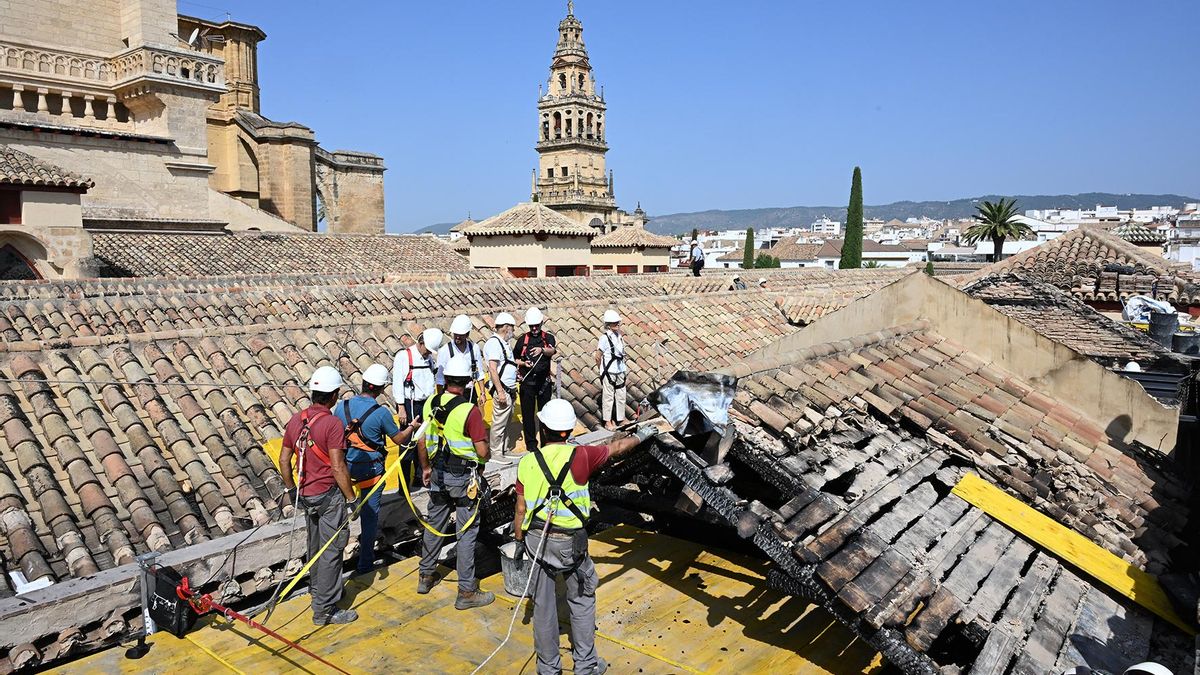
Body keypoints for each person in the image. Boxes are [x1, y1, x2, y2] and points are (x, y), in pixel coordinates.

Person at [513, 399, 657, 675]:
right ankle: (586, 665)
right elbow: (616, 448)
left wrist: (519, 541)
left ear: (544, 429)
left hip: (537, 541)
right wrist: (642, 435)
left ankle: (548, 668)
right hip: (570, 542)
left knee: (543, 605)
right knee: (581, 600)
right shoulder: (582, 456)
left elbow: (520, 509)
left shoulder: (527, 462)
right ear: (568, 432)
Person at [278, 366, 359, 625]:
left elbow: (283, 460)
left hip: (305, 495)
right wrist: (351, 498)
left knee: (315, 546)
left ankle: (320, 590)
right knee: (332, 550)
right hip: (328, 496)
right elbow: (337, 467)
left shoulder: (296, 419)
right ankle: (325, 610)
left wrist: (292, 490)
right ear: (334, 395)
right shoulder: (332, 423)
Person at [415, 355, 495, 610]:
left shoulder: (431, 402)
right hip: (462, 478)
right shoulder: (469, 411)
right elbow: (482, 452)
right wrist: (488, 454)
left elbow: (421, 439)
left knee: (434, 523)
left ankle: (426, 576)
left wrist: (425, 467)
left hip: (437, 473)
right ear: (468, 382)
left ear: (446, 379)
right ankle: (467, 591)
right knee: (467, 532)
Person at [336, 364, 422, 575]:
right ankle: (365, 564)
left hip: (345, 468)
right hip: (371, 471)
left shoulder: (341, 406)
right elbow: (399, 438)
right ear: (382, 389)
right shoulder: (381, 413)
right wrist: (412, 427)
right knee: (370, 517)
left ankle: (334, 567)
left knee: (338, 519)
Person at [393, 327, 444, 481]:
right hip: (409, 405)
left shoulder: (428, 358)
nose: (428, 353)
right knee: (407, 445)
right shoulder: (404, 356)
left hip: (426, 405)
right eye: (427, 350)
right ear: (421, 343)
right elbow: (397, 383)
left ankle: (419, 477)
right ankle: (404, 487)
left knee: (423, 443)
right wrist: (401, 408)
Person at [513, 307, 558, 453]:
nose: (534, 328)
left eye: (536, 325)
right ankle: (531, 445)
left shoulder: (548, 338)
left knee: (546, 415)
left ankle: (546, 443)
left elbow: (553, 350)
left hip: (543, 383)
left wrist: (541, 350)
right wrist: (523, 365)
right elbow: (514, 359)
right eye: (531, 326)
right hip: (527, 384)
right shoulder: (522, 340)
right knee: (528, 416)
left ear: (541, 323)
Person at [484, 312, 520, 458]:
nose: (513, 331)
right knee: (499, 423)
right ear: (506, 327)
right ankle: (496, 452)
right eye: (512, 327)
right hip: (502, 390)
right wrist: (500, 391)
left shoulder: (503, 344)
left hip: (508, 389)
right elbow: (493, 369)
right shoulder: (494, 343)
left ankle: (504, 449)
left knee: (506, 422)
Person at [437, 315, 485, 404]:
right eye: (456, 334)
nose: (457, 337)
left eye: (460, 335)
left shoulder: (474, 348)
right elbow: (440, 378)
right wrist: (440, 398)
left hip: (469, 392)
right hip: (451, 393)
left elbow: (480, 373)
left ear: (467, 334)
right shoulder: (445, 350)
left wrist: (482, 393)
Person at [594, 309, 627, 431]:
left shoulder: (619, 336)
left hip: (620, 370)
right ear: (608, 324)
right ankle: (607, 421)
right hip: (609, 371)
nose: (617, 324)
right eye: (615, 322)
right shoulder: (604, 338)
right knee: (608, 396)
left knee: (621, 394)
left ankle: (621, 418)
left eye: (618, 322)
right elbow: (598, 356)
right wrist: (602, 370)